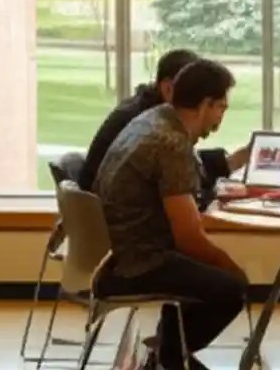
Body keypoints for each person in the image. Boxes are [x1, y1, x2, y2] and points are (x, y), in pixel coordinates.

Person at [92, 59, 247, 370]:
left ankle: (168, 354)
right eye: (221, 109)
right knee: (231, 290)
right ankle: (169, 359)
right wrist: (234, 269)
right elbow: (189, 238)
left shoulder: (152, 120)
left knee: (197, 273)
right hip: (138, 262)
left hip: (117, 254)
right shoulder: (171, 143)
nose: (220, 119)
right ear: (205, 104)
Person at [81, 49, 250, 201]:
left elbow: (179, 170)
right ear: (169, 88)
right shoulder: (165, 136)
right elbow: (186, 226)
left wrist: (231, 162)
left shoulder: (150, 117)